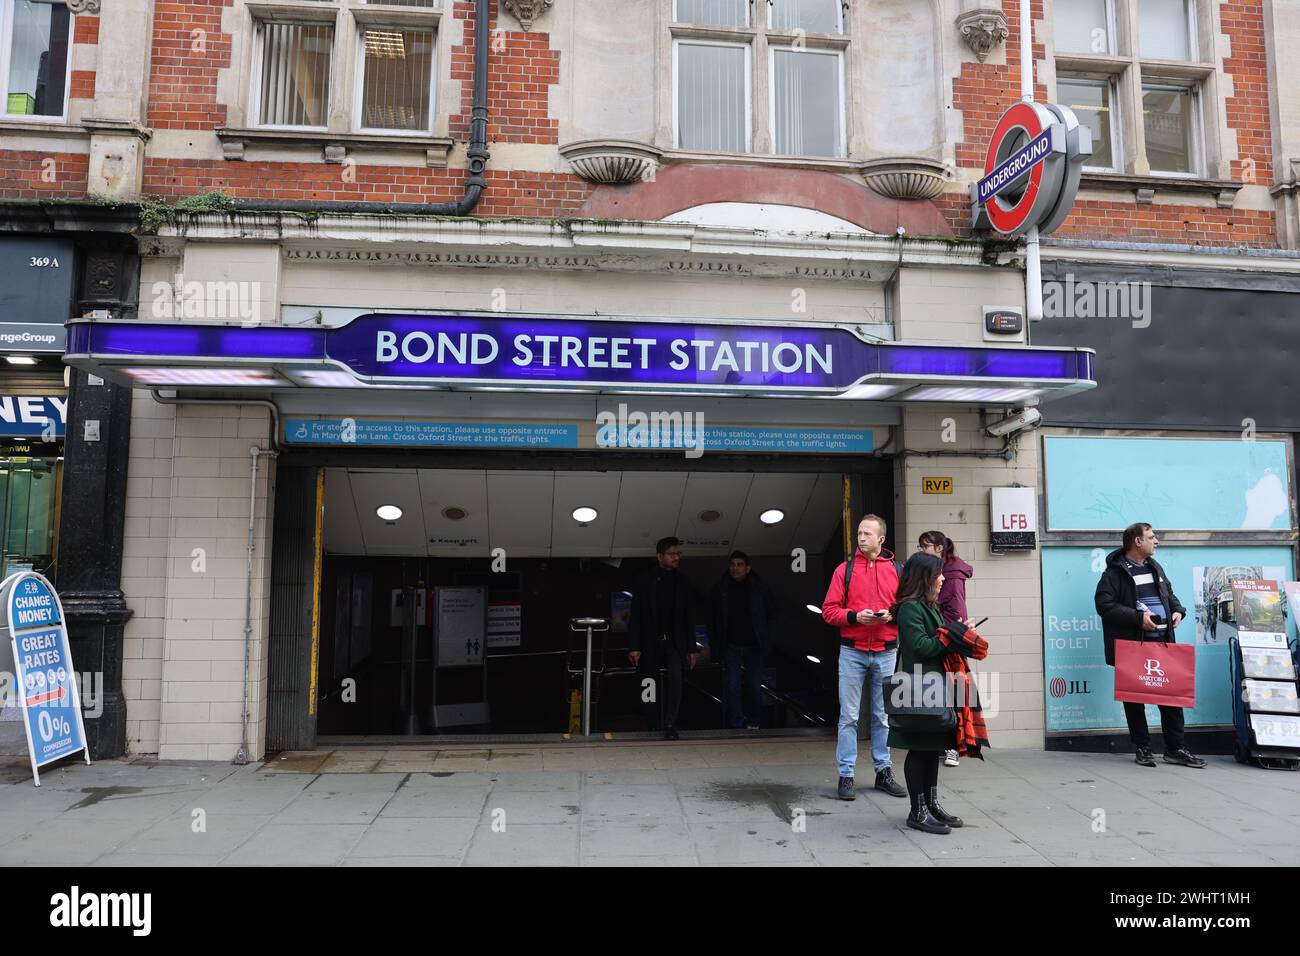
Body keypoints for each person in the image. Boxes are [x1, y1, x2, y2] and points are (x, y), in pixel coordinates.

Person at [1094, 522, 1206, 769]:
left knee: (1172, 697)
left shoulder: (1154, 567)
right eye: (1152, 537)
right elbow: (1104, 605)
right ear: (1137, 541)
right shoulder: (1114, 573)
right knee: (1135, 698)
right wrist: (1138, 618)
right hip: (1134, 645)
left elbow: (1169, 594)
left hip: (1163, 643)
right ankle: (1143, 747)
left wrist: (1178, 610)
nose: (1156, 541)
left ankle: (1175, 749)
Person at [821, 514, 907, 801]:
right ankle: (846, 775)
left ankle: (883, 772)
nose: (861, 537)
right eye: (859, 532)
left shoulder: (897, 570)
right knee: (848, 717)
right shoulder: (844, 570)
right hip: (852, 651)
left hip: (885, 650)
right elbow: (828, 610)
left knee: (882, 717)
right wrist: (854, 616)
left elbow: (909, 609)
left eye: (867, 533)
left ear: (881, 538)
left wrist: (891, 614)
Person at [888, 552, 971, 835]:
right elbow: (921, 646)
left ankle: (932, 805)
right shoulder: (911, 608)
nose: (943, 578)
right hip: (919, 689)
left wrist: (957, 633)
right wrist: (951, 634)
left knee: (932, 747)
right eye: (938, 574)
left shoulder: (929, 606)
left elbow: (938, 640)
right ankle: (917, 811)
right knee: (919, 749)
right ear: (924, 578)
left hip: (936, 686)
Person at [629, 536, 697, 740]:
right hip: (650, 640)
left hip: (674, 641)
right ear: (659, 556)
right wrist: (634, 645)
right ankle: (651, 721)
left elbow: (689, 617)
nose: (676, 557)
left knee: (676, 677)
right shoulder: (645, 579)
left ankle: (670, 722)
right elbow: (637, 615)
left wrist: (691, 648)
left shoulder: (683, 581)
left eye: (678, 553)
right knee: (648, 681)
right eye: (672, 554)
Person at [918, 531, 973, 768]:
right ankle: (948, 743)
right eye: (920, 546)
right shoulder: (943, 571)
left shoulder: (951, 575)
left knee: (951, 692)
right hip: (945, 637)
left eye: (926, 546)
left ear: (939, 548)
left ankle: (953, 746)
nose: (921, 550)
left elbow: (956, 612)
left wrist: (943, 632)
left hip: (948, 639)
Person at [710, 550, 775, 730]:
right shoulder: (721, 588)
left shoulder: (759, 588)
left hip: (754, 644)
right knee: (733, 687)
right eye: (732, 565)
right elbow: (714, 618)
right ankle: (737, 724)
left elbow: (771, 614)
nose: (735, 569)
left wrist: (767, 639)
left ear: (747, 568)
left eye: (739, 565)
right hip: (731, 645)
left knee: (754, 687)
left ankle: (754, 722)